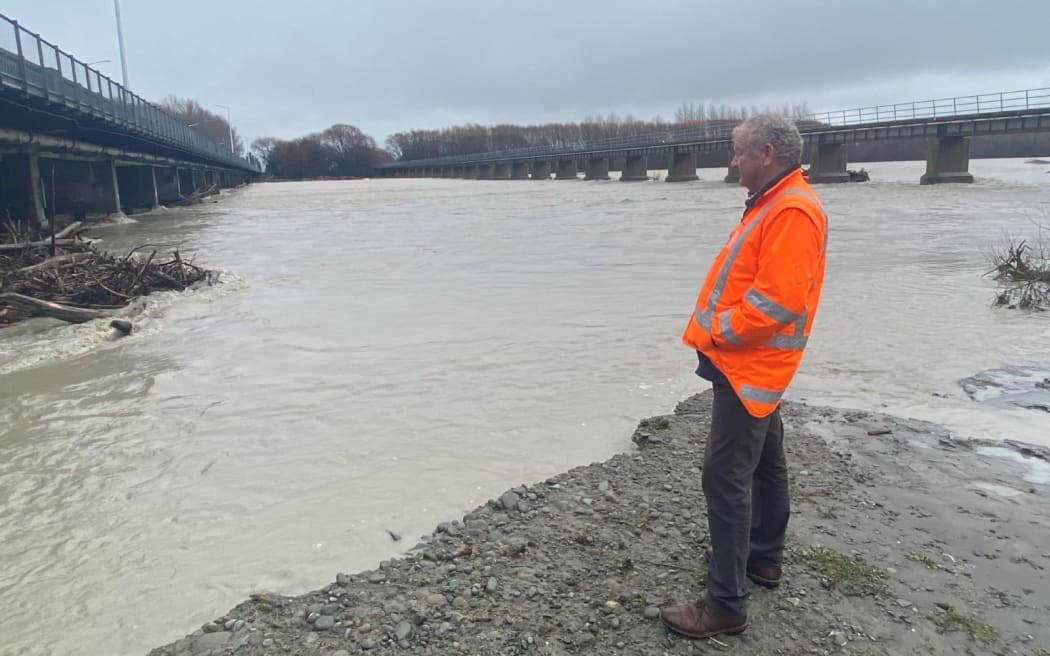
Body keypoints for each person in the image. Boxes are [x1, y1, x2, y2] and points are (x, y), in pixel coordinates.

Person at [661, 113, 828, 639]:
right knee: (765, 461)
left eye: (738, 152)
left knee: (724, 476)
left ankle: (726, 602)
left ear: (767, 155)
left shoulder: (792, 210)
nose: (732, 161)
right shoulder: (776, 201)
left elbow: (775, 303)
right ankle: (762, 559)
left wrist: (717, 334)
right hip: (753, 364)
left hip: (748, 363)